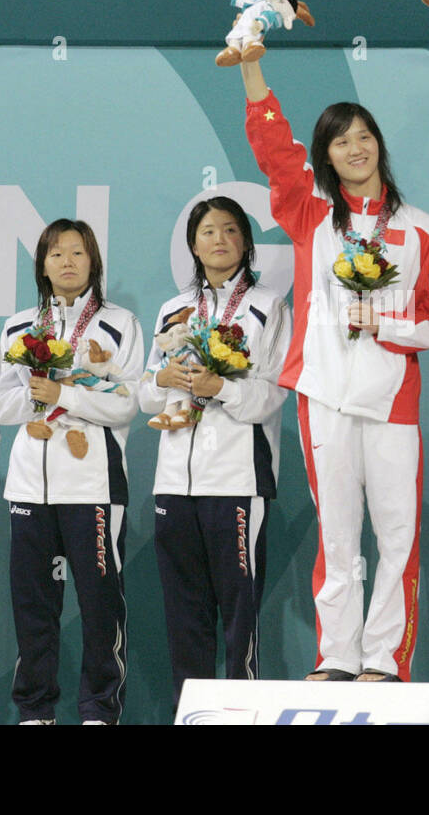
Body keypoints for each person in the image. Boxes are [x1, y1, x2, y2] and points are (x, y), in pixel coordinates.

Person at [237, 55, 429, 682]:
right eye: (340, 140)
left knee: (396, 538)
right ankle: (338, 657)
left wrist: (383, 327)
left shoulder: (423, 230)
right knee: (338, 537)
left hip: (394, 401)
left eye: (364, 136)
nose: (354, 148)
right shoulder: (312, 218)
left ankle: (384, 661)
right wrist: (253, 72)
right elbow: (277, 153)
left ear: (379, 146)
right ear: (326, 157)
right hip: (325, 395)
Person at [0, 218, 143, 724]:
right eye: (56, 254)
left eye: (77, 252)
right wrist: (35, 398)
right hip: (30, 489)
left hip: (94, 488)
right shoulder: (19, 327)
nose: (67, 262)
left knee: (99, 608)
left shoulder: (120, 324)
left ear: (93, 261)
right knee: (34, 611)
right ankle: (36, 712)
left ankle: (99, 711)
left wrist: (65, 395)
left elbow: (125, 403)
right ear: (42, 264)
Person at [139, 196, 290, 706]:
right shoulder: (170, 309)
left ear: (246, 242)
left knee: (238, 614)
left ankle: (241, 711)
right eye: (207, 231)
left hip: (238, 482)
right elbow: (143, 395)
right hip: (174, 484)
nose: (218, 239)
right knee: (184, 614)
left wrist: (219, 386)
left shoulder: (268, 307)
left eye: (229, 230)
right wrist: (162, 377)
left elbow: (274, 394)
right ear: (192, 245)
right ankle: (195, 712)